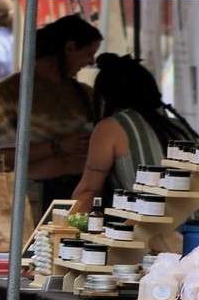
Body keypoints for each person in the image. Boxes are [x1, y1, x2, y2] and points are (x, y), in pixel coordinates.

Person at [0, 14, 102, 208]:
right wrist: (59, 146)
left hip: (79, 194)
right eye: (89, 53)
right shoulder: (8, 93)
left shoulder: (84, 94)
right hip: (28, 198)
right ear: (70, 48)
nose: (90, 61)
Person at [70, 54, 195, 231]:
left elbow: (88, 192)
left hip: (155, 233)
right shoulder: (179, 127)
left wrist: (68, 232)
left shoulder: (111, 128)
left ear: (105, 98)